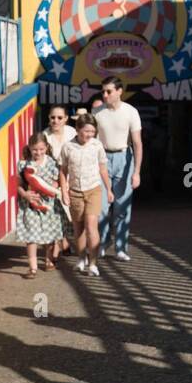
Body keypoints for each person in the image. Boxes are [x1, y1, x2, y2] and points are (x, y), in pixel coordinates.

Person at [59, 114, 113, 277]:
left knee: (91, 226)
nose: (89, 135)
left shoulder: (97, 145)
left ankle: (93, 263)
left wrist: (109, 189)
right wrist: (64, 192)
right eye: (86, 131)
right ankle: (81, 258)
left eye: (92, 132)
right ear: (77, 129)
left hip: (93, 189)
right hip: (75, 191)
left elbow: (103, 169)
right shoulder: (68, 147)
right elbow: (63, 171)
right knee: (79, 227)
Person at [96, 77, 143, 262]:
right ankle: (103, 242)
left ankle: (121, 248)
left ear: (119, 91)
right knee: (101, 206)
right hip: (102, 159)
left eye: (109, 91)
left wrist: (137, 172)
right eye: (103, 91)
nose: (105, 95)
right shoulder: (97, 112)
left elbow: (137, 143)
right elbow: (92, 140)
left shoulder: (131, 112)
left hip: (124, 158)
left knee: (122, 207)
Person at [15, 133, 66, 277]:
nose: (38, 152)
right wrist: (25, 194)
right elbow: (18, 185)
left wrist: (53, 185)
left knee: (49, 234)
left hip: (49, 204)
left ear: (46, 147)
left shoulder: (52, 163)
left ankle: (49, 260)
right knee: (31, 235)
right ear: (29, 148)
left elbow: (59, 181)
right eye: (35, 150)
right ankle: (33, 267)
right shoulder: (23, 164)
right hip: (30, 205)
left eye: (41, 149)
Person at [43, 106, 75, 267]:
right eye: (52, 117)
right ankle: (52, 254)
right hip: (52, 181)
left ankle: (66, 242)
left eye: (60, 118)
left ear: (66, 119)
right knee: (54, 216)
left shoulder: (72, 133)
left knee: (68, 216)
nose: (56, 121)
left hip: (71, 179)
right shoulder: (44, 135)